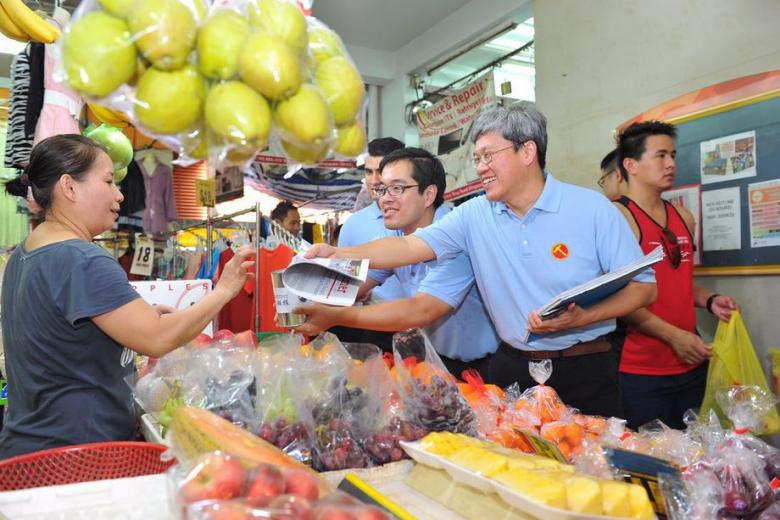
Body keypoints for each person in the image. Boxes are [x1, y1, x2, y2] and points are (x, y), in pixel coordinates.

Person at [302, 102, 657, 417]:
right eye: (476, 159)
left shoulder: (592, 210)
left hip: (586, 369)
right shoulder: (475, 214)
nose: (480, 168)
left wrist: (584, 316)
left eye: (488, 155)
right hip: (512, 371)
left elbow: (644, 289)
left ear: (527, 151)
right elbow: (411, 247)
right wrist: (340, 253)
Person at [0, 135, 255, 459]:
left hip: (29, 450)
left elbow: (58, 333)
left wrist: (136, 315)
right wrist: (224, 290)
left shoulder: (28, 252)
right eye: (108, 181)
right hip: (79, 456)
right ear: (69, 187)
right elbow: (158, 339)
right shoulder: (82, 258)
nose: (120, 194)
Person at [293, 148, 499, 380]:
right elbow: (354, 285)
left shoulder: (457, 239)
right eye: (383, 189)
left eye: (397, 188)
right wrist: (303, 293)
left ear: (429, 195)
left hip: (482, 368)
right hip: (436, 361)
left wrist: (335, 316)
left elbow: (420, 310)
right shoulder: (396, 238)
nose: (384, 199)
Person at [614, 121, 738, 430]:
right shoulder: (617, 218)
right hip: (641, 371)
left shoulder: (684, 217)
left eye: (672, 155)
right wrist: (673, 336)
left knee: (697, 458)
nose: (671, 164)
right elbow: (617, 297)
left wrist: (710, 300)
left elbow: (680, 280)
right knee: (652, 466)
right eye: (660, 156)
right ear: (631, 165)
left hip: (690, 361)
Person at [329, 137, 406, 352]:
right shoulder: (353, 225)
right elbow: (346, 281)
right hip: (375, 329)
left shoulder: (424, 219)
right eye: (368, 172)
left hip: (425, 327)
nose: (374, 180)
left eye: (380, 171)